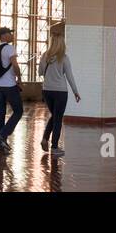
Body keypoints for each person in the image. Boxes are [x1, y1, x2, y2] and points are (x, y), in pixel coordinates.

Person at [38, 25, 81, 156]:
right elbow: (69, 76)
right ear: (62, 43)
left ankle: (45, 138)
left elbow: (40, 72)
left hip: (47, 90)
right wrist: (75, 92)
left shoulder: (45, 56)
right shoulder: (64, 57)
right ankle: (55, 147)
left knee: (55, 116)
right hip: (60, 92)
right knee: (58, 119)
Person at [0, 26, 24, 152]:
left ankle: (1, 142)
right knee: (18, 111)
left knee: (1, 112)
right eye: (10, 33)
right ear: (3, 36)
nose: (12, 35)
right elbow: (15, 65)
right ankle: (3, 136)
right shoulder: (9, 48)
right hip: (9, 86)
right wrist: (19, 78)